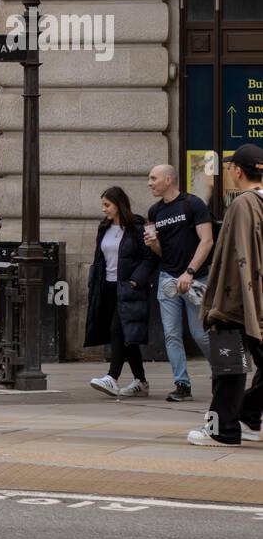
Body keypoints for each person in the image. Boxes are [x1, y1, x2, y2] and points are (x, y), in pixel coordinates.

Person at [188, 144, 263, 447]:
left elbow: (236, 257)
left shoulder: (243, 204)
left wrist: (218, 301)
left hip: (236, 300)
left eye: (231, 166)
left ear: (237, 171)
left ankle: (224, 430)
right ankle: (249, 418)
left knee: (228, 366)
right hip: (255, 298)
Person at [145, 163, 214, 402]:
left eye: (154, 178)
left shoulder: (193, 204)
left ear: (168, 179)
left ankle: (223, 375)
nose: (149, 183)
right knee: (171, 334)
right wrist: (154, 246)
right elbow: (161, 251)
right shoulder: (154, 211)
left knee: (200, 334)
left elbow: (206, 241)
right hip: (167, 278)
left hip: (195, 278)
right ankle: (182, 384)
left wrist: (190, 271)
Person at [85, 187, 157, 398]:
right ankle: (141, 382)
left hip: (127, 287)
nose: (103, 209)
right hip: (106, 287)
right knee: (126, 337)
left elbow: (150, 257)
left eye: (107, 205)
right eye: (103, 205)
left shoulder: (136, 227)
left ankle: (112, 378)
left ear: (119, 204)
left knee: (118, 330)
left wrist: (136, 280)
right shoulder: (104, 227)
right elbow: (100, 258)